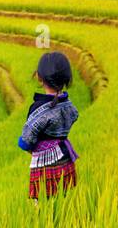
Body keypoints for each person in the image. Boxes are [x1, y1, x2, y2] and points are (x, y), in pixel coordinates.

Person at [19, 51, 80, 200]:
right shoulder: (68, 105)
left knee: (42, 206)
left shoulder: (39, 109)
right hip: (66, 159)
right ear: (66, 79)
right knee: (65, 200)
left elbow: (26, 140)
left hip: (45, 165)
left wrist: (27, 145)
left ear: (39, 77)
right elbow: (74, 115)